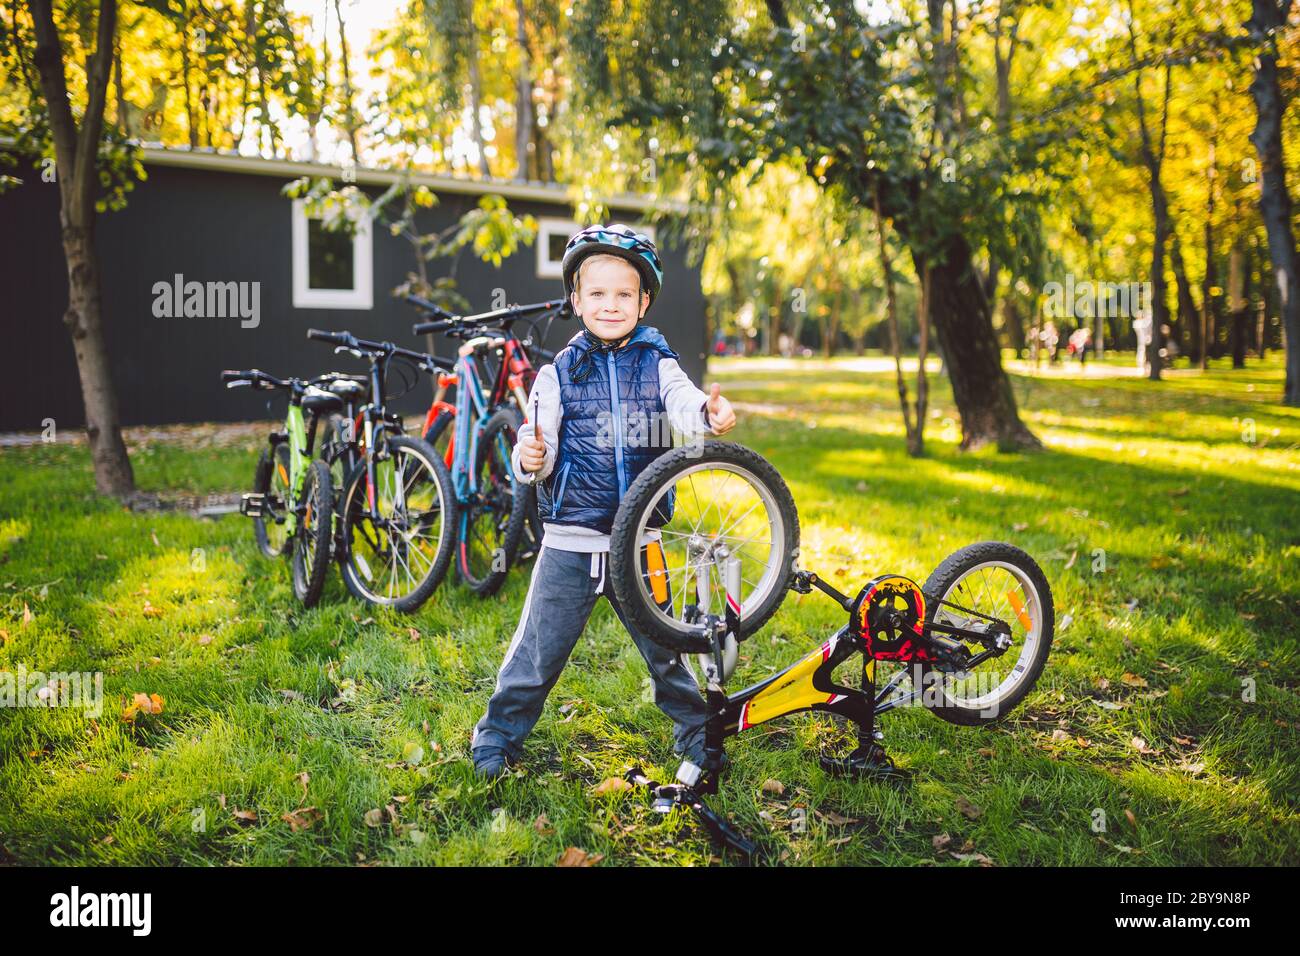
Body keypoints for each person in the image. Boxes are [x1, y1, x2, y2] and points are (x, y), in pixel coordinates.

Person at [470, 224, 737, 779]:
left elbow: (683, 404)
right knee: (537, 653)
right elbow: (533, 447)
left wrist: (707, 416)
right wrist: (531, 456)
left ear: (644, 301)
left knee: (668, 651)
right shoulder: (558, 373)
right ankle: (497, 737)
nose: (610, 305)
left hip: (640, 544)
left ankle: (695, 734)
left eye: (623, 294)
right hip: (570, 542)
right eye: (597, 293)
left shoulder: (659, 363)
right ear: (576, 299)